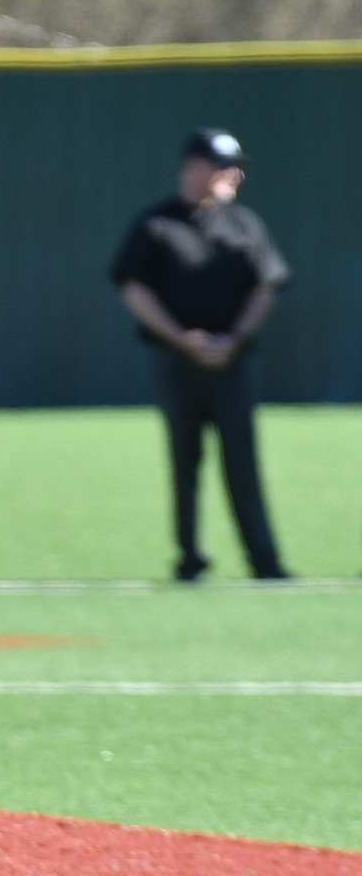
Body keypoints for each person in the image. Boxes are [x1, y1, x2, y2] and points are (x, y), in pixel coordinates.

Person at [111, 128, 293, 583]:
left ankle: (264, 561)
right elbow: (134, 289)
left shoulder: (245, 224)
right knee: (184, 460)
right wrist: (181, 338)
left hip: (234, 363)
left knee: (241, 462)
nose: (232, 175)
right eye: (222, 165)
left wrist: (234, 338)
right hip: (177, 363)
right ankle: (190, 557)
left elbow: (266, 285)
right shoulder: (157, 224)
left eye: (236, 167)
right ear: (193, 166)